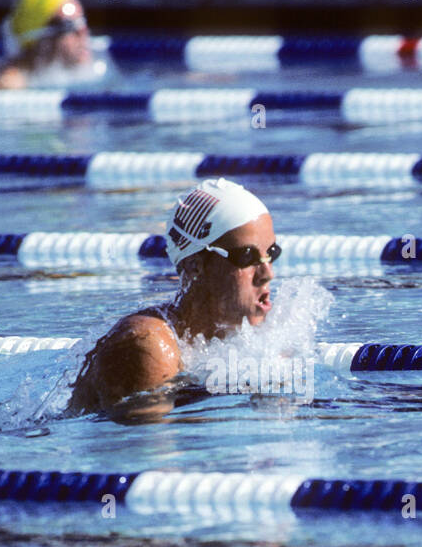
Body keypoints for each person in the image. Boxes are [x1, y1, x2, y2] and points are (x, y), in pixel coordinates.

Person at [67, 178, 279, 422]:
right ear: (195, 266)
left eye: (272, 253)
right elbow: (141, 444)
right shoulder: (147, 345)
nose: (267, 273)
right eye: (247, 257)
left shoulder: (255, 337)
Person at [0, 0, 101, 89]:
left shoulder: (93, 73)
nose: (83, 32)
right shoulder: (8, 84)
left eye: (82, 21)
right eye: (68, 25)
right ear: (40, 36)